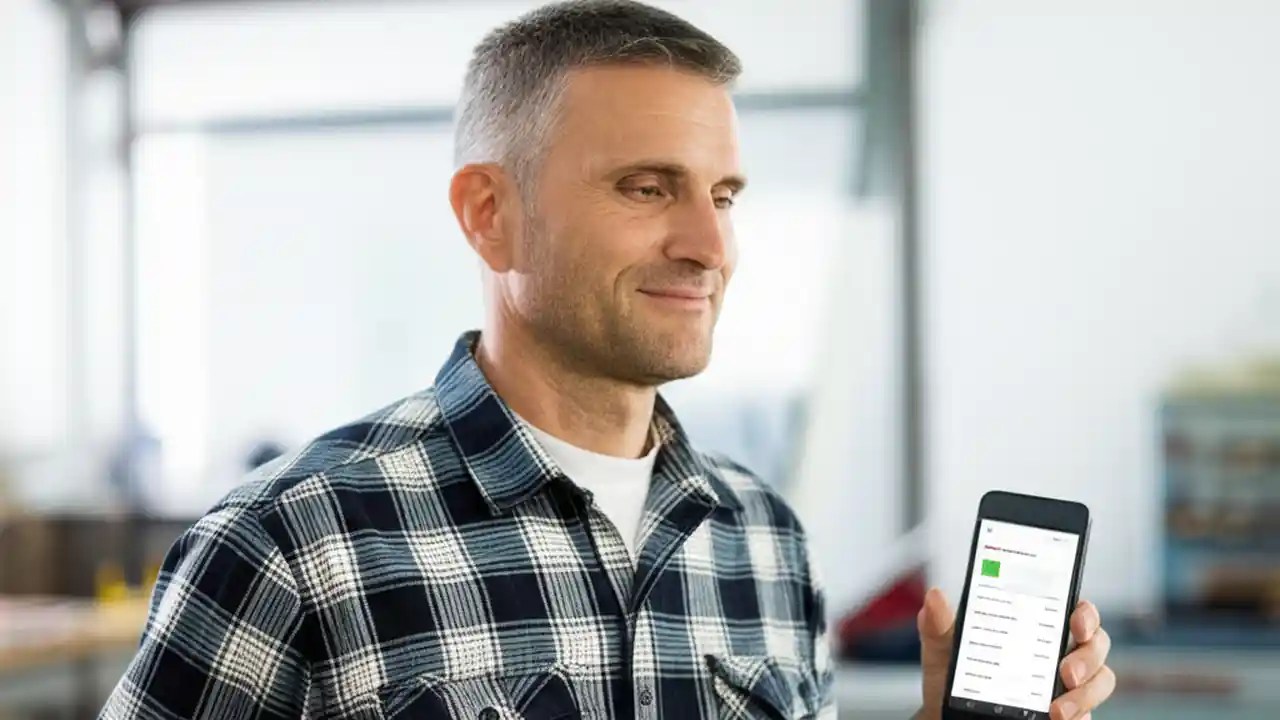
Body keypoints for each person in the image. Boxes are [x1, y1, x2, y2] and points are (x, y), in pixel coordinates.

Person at [101, 2, 1115, 718]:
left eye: (722, 195)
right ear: (489, 215)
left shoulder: (764, 542)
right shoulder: (291, 545)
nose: (710, 246)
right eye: (644, 187)